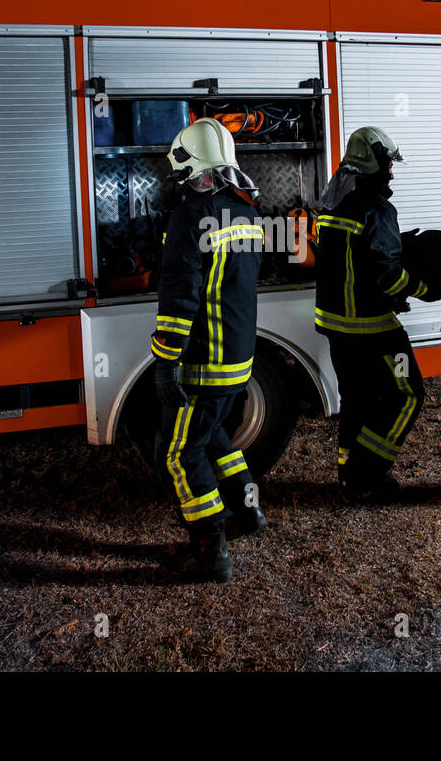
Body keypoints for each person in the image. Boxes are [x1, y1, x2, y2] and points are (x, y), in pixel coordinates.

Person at [150, 118, 265, 582]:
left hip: (203, 363)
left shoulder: (190, 216)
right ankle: (250, 510)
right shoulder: (247, 212)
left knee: (179, 453)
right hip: (239, 361)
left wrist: (165, 360)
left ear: (190, 166)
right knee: (214, 436)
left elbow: (180, 299)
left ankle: (211, 547)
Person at [313, 127, 441, 503]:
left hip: (336, 329)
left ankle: (347, 473)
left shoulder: (333, 204)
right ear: (375, 162)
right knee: (408, 394)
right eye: (389, 162)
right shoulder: (378, 209)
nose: (392, 171)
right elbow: (388, 278)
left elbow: (352, 259)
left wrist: (396, 242)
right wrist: (428, 290)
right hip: (373, 332)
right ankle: (367, 474)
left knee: (356, 397)